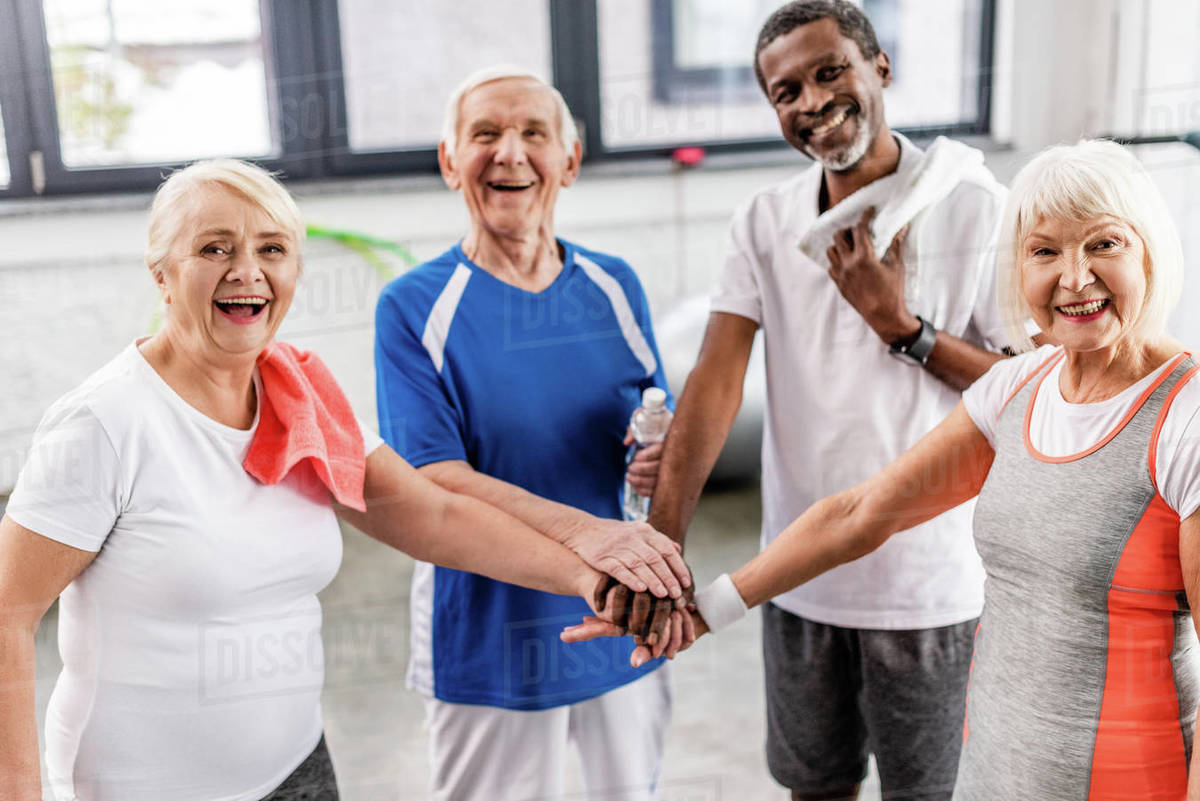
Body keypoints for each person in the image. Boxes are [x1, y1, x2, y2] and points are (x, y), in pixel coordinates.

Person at [0, 159, 677, 801]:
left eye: (272, 249)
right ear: (161, 274)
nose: (248, 273)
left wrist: (588, 574)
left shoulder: (300, 392)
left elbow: (432, 517)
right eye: (213, 249)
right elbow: (8, 614)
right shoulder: (105, 422)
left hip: (299, 769)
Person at [571, 137, 1200, 799]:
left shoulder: (1184, 417)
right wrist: (703, 609)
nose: (1073, 277)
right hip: (994, 778)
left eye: (1104, 244)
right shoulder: (1018, 387)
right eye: (1045, 250)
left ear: (1151, 251)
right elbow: (861, 514)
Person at [617, 2, 1016, 798]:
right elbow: (715, 382)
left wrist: (901, 326)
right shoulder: (764, 222)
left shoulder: (974, 205)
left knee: (930, 790)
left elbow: (1023, 391)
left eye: (830, 71)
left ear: (880, 69)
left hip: (930, 587)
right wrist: (659, 554)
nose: (810, 101)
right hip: (797, 579)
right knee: (813, 786)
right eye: (784, 90)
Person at [373, 65, 687, 801]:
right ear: (451, 162)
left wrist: (654, 458)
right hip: (489, 635)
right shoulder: (414, 306)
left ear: (569, 162)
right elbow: (435, 480)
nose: (509, 152)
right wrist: (591, 537)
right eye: (484, 133)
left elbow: (652, 421)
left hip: (620, 615)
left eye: (533, 134)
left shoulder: (615, 285)